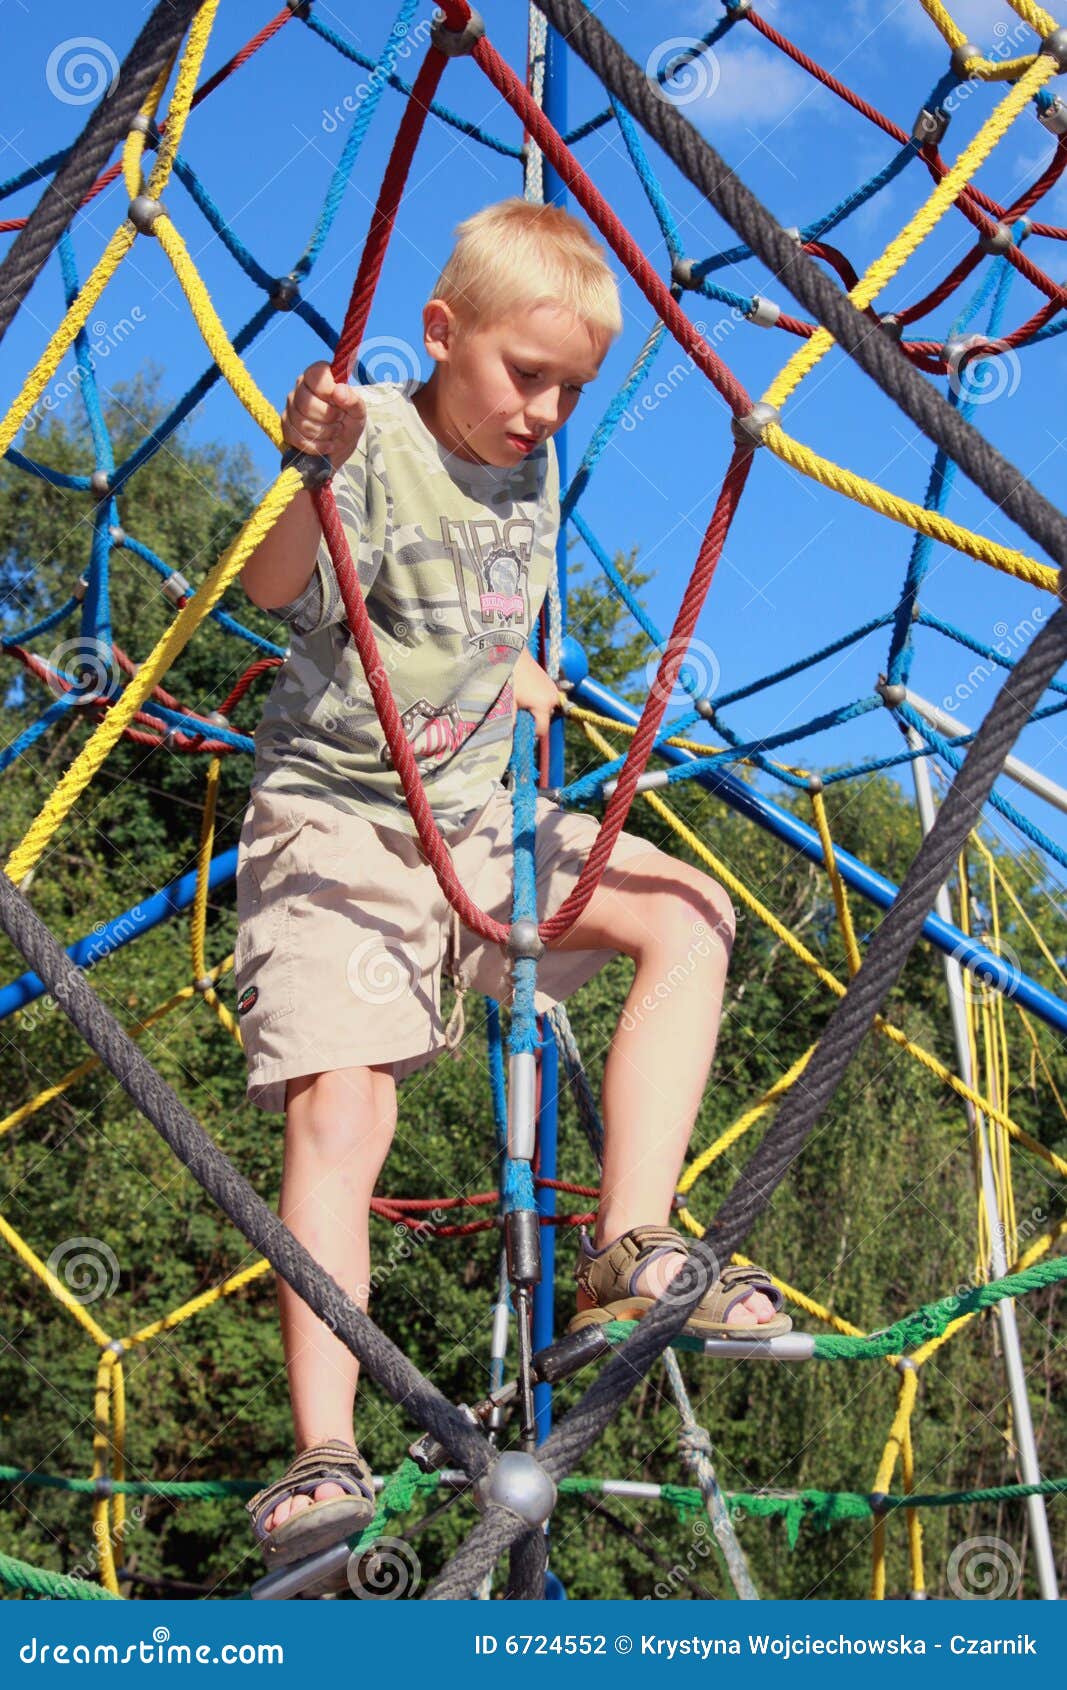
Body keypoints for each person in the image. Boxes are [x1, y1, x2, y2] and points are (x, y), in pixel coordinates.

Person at [236, 198, 789, 1585]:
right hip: (344, 819)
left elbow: (475, 605)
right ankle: (322, 1451)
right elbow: (272, 583)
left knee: (693, 913)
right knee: (346, 1098)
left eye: (571, 389)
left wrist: (516, 674)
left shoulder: (528, 471)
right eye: (521, 375)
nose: (543, 410)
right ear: (443, 334)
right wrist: (303, 469)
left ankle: (632, 1250)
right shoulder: (373, 431)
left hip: (477, 818)